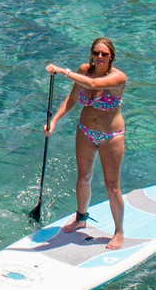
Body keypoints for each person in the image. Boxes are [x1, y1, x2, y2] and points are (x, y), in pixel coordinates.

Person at [46, 38, 129, 247]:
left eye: (104, 54)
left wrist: (62, 70)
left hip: (111, 137)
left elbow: (92, 84)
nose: (99, 57)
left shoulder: (118, 77)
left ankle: (118, 232)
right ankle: (81, 219)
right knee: (83, 177)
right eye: (96, 53)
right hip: (85, 132)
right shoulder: (84, 70)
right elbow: (73, 98)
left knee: (112, 187)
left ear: (111, 56)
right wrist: (53, 121)